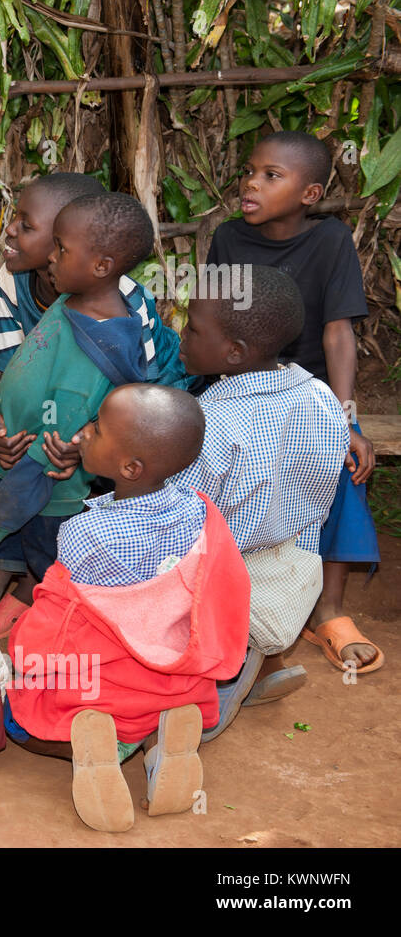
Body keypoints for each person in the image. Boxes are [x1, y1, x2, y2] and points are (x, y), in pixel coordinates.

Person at [8, 384, 250, 832]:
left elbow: (56, 619)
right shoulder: (200, 514)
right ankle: (160, 738)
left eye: (97, 430)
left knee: (16, 716)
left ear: (130, 467)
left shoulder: (85, 534)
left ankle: (94, 747)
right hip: (177, 684)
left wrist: (19, 649)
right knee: (154, 701)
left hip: (98, 691)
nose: (81, 435)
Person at [207, 131, 382, 675]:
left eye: (270, 176)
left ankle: (327, 610)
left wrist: (343, 417)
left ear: (310, 194)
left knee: (339, 465)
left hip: (306, 391)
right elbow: (217, 323)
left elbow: (338, 335)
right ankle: (233, 591)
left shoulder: (330, 242)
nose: (251, 183)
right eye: (250, 170)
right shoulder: (229, 239)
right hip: (240, 381)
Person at [0, 176, 193, 619]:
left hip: (43, 481)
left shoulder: (98, 346)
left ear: (100, 265)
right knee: (11, 554)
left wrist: (10, 496)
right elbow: (24, 362)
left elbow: (64, 433)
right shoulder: (72, 299)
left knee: (47, 562)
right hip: (15, 454)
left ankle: (37, 624)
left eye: (61, 248)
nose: (52, 258)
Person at [165, 267, 349, 738]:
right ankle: (266, 663)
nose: (180, 333)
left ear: (235, 353)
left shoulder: (210, 421)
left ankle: (213, 691)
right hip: (294, 562)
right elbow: (323, 490)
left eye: (192, 327)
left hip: (218, 580)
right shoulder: (319, 396)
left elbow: (185, 516)